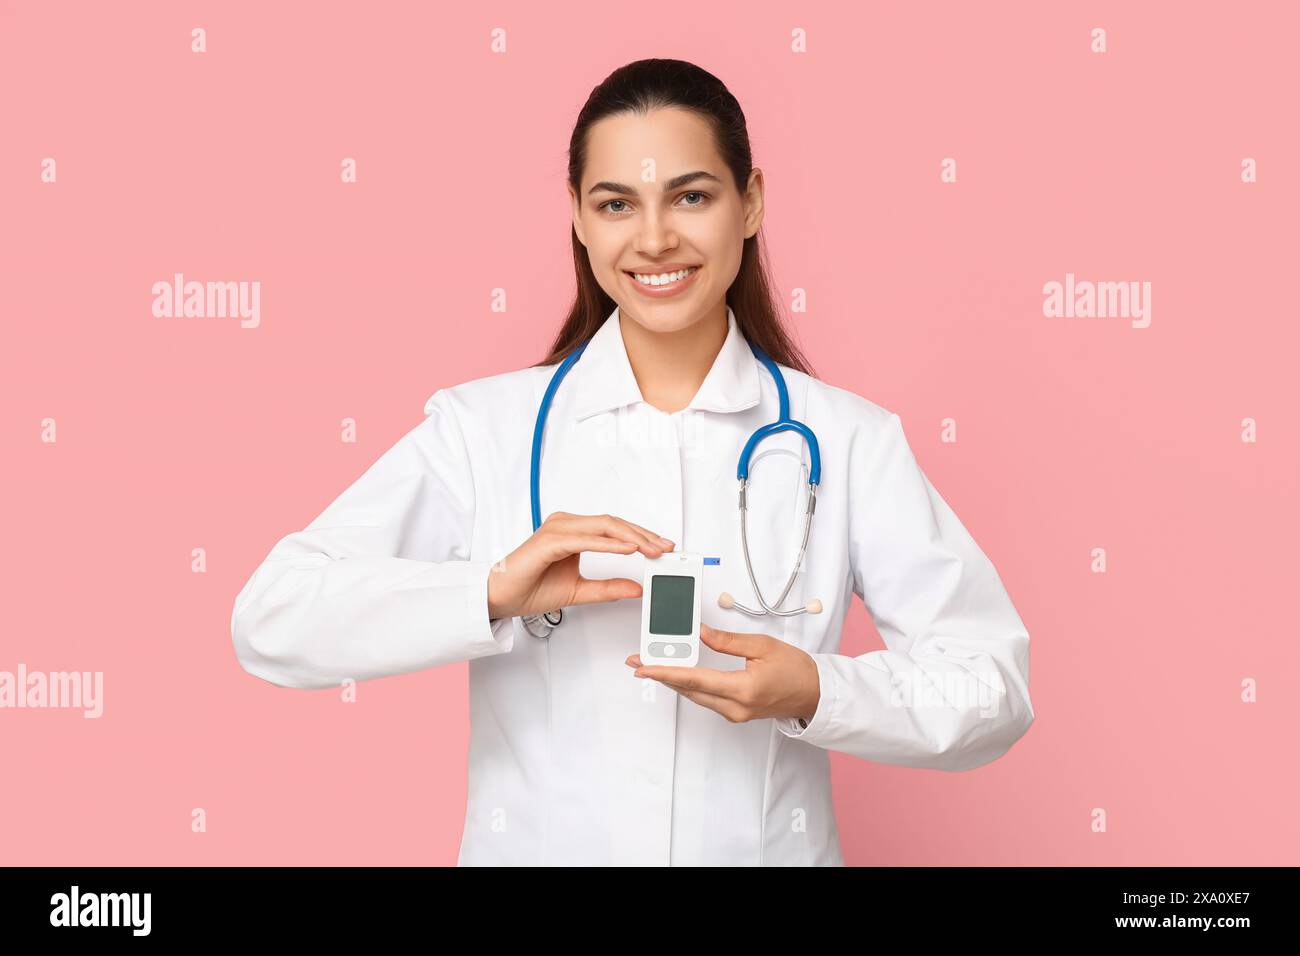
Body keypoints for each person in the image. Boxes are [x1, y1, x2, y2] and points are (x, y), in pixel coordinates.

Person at [230, 58, 1034, 866]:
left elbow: (992, 686)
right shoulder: (484, 431)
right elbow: (274, 618)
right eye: (616, 204)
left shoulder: (848, 441)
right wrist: (491, 593)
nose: (654, 239)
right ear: (578, 218)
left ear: (750, 202)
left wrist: (819, 690)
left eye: (692, 196)